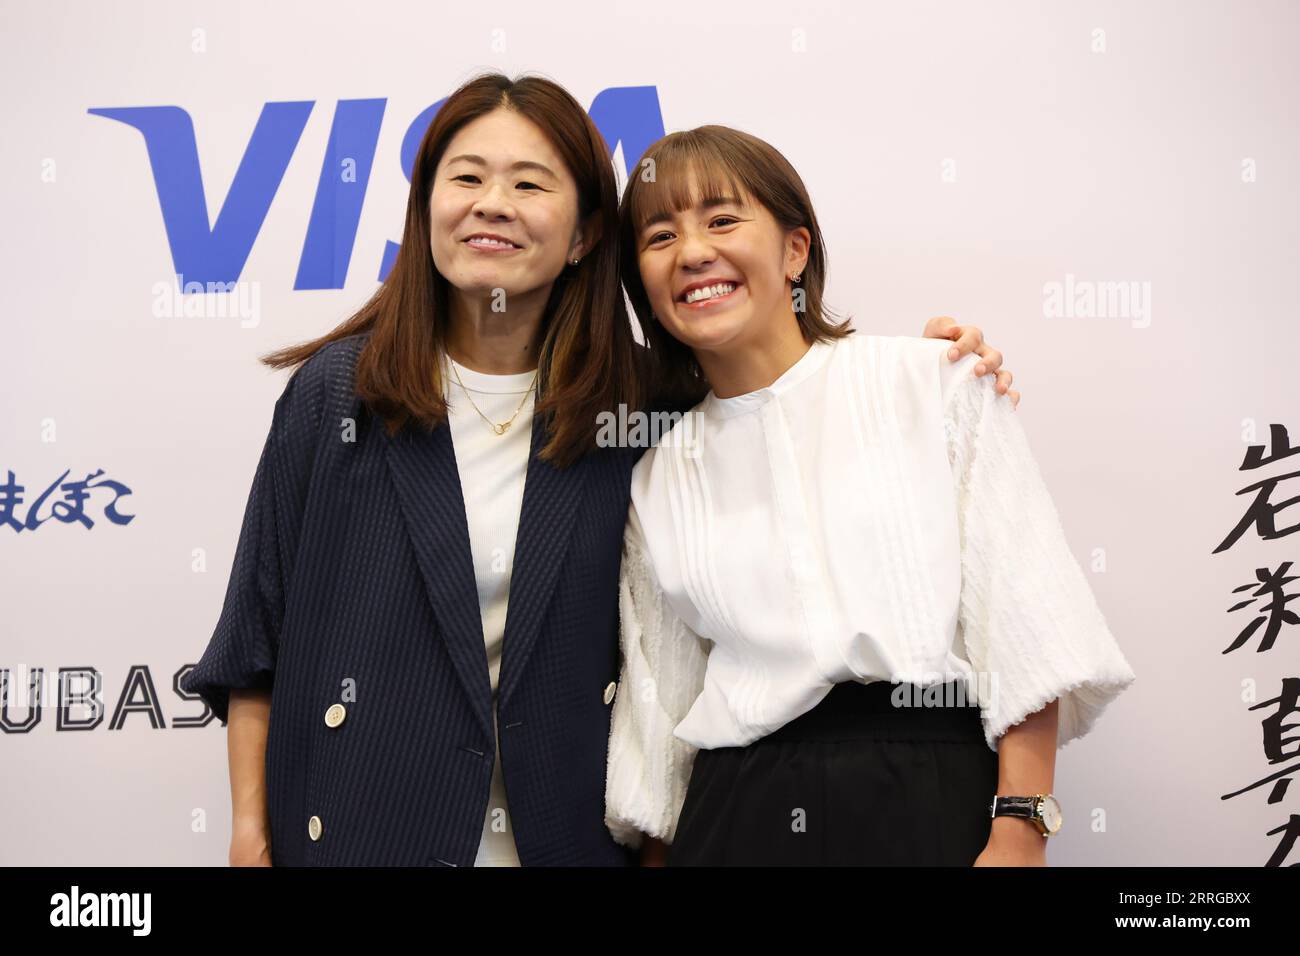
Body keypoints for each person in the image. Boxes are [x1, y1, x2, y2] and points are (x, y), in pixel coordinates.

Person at [183, 73, 1017, 867]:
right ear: (426, 208)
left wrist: (932, 372)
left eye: (530, 184)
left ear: (585, 234)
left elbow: (780, 395)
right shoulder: (341, 393)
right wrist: (250, 838)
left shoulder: (640, 406)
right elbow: (255, 647)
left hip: (568, 843)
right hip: (362, 834)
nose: (492, 205)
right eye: (465, 176)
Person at [604, 125, 1136, 866]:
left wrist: (1019, 827)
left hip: (930, 793)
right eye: (660, 235)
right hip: (735, 814)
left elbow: (1024, 612)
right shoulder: (656, 473)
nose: (693, 252)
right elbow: (659, 706)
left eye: (723, 220)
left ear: (795, 249)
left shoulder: (934, 381)